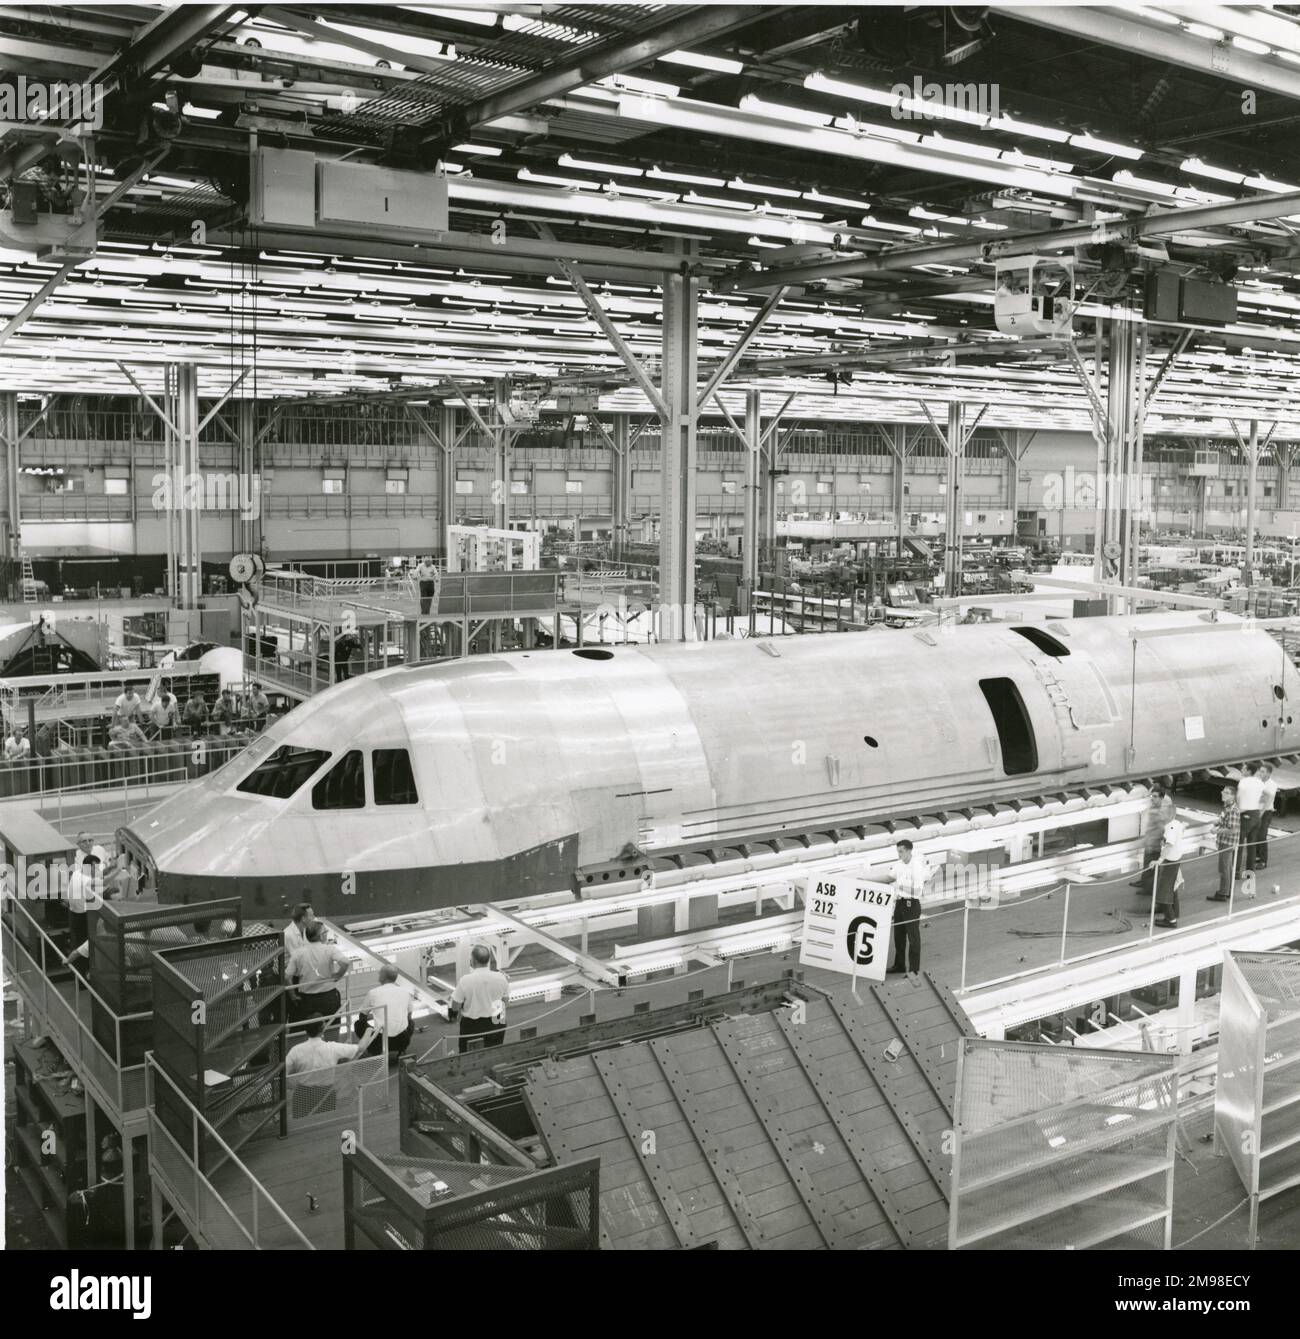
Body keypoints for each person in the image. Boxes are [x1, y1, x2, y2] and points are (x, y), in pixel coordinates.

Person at [448, 944, 509, 1053]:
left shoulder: (465, 980)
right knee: (494, 1053)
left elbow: (455, 1006)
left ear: (473, 961)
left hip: (473, 1026)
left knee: (469, 1057)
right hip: (497, 1022)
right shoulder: (501, 977)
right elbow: (505, 1002)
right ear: (488, 960)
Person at [286, 921, 350, 1024]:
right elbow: (345, 962)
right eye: (326, 932)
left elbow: (287, 977)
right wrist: (338, 975)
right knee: (331, 1028)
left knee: (311, 1029)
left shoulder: (298, 953)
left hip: (307, 1000)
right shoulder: (329, 949)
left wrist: (293, 995)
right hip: (328, 997)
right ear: (321, 936)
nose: (327, 934)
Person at [884, 838, 929, 975]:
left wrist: (901, 886)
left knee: (913, 938)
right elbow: (889, 878)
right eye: (898, 852)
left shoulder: (916, 867)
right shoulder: (898, 864)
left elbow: (917, 891)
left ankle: (914, 970)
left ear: (909, 851)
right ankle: (899, 965)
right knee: (899, 936)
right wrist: (867, 880)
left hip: (911, 904)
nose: (899, 854)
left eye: (901, 851)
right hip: (900, 903)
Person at [286, 1019, 379, 1083]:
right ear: (323, 1029)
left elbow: (284, 1072)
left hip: (302, 1093)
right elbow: (361, 1047)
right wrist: (368, 1030)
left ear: (306, 1031)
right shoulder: (333, 1047)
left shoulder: (295, 1050)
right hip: (326, 1093)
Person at [357, 964, 417, 1061]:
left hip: (380, 1041)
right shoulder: (406, 992)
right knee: (411, 1023)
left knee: (358, 1024)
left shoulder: (373, 993)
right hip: (402, 1039)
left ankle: (374, 1050)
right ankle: (401, 1049)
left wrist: (375, 1015)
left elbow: (362, 1017)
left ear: (383, 977)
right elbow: (409, 1016)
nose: (378, 974)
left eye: (380, 972)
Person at [1132, 780, 1174, 896]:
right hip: (1150, 840)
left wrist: (1152, 841)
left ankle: (1149, 888)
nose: (1152, 798)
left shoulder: (1162, 809)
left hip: (1154, 843)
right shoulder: (1155, 807)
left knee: (1151, 865)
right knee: (1147, 863)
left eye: (1154, 796)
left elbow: (1161, 828)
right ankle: (1145, 883)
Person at [1209, 786, 1240, 903]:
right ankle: (1228, 890)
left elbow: (1232, 829)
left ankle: (1223, 893)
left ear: (1232, 796)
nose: (1223, 794)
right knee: (1228, 867)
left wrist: (1217, 830)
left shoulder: (1232, 810)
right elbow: (1227, 822)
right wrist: (1218, 822)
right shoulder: (1228, 808)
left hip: (1227, 842)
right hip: (1228, 842)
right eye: (1223, 791)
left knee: (1224, 868)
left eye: (1226, 793)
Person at [1154, 815, 1186, 928]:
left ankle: (1171, 920)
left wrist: (1159, 860)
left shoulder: (1170, 828)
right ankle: (1175, 913)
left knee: (1164, 892)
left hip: (1170, 862)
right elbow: (1182, 829)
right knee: (1172, 888)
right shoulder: (1176, 823)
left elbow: (1169, 845)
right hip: (1176, 861)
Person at [1236, 763, 1265, 879]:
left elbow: (1238, 798)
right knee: (1252, 845)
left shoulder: (1243, 782)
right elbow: (1264, 796)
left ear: (1248, 771)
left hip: (1245, 814)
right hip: (1256, 814)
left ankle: (1236, 872)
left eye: (1243, 768)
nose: (1242, 770)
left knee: (1239, 844)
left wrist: (1238, 810)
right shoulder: (1260, 782)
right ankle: (1250, 871)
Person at [1256, 763, 1277, 871]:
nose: (1260, 773)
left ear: (1269, 773)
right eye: (1260, 771)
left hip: (1266, 812)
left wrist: (1261, 812)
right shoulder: (1258, 782)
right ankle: (1257, 855)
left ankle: (1263, 861)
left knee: (1262, 835)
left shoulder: (1272, 784)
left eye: (1263, 771)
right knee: (1254, 834)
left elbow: (1267, 799)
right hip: (1256, 810)